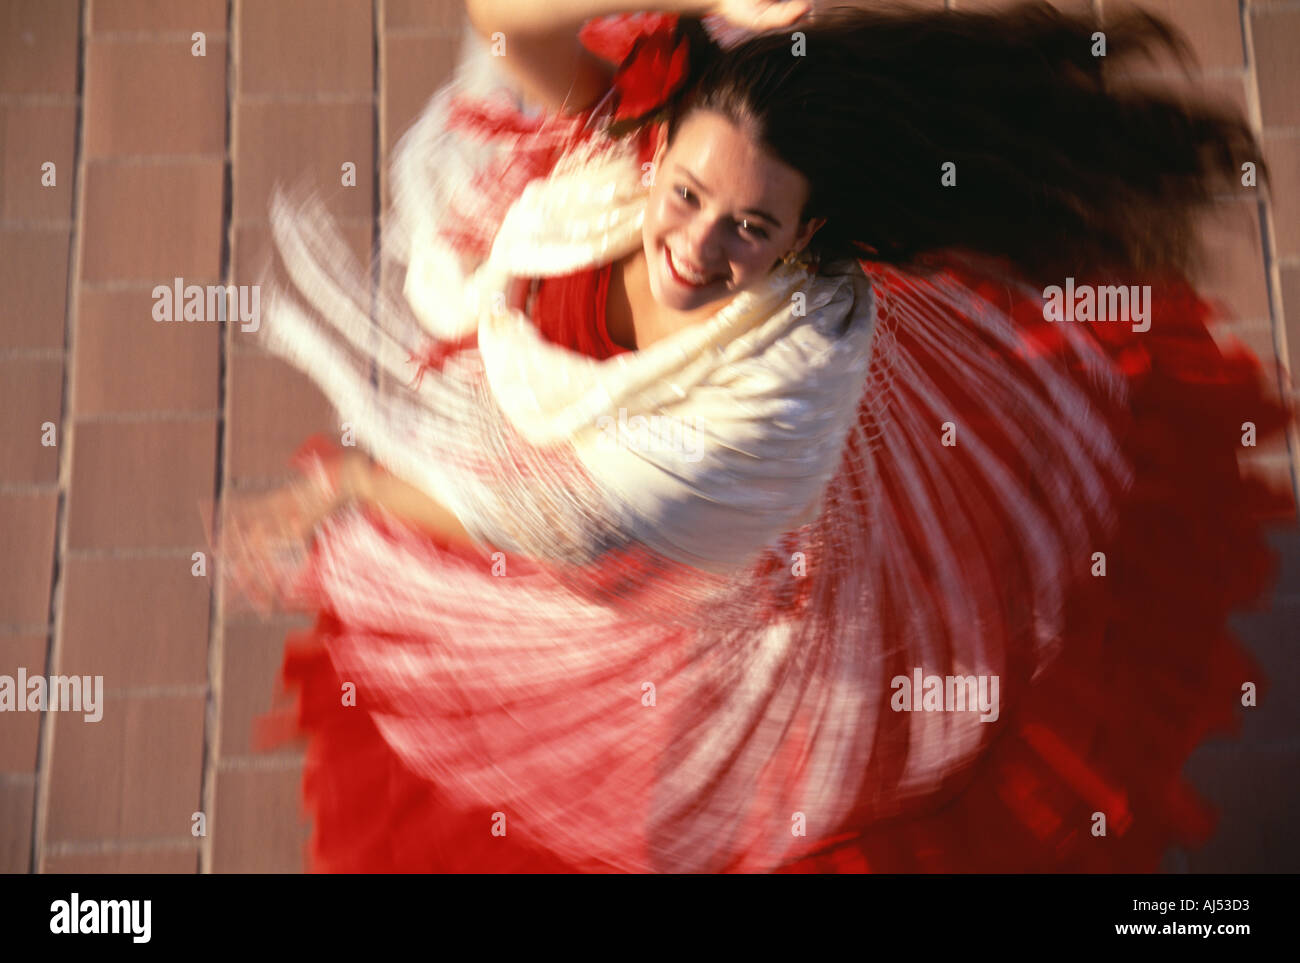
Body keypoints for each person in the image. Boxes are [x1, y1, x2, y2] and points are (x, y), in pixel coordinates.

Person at [216, 0, 1297, 872]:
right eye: (685, 192)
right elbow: (505, 19)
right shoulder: (623, 142)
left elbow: (558, 526)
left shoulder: (777, 400)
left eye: (750, 228)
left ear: (806, 239)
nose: (693, 247)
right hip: (580, 465)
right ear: (659, 134)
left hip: (666, 559)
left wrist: (351, 486)